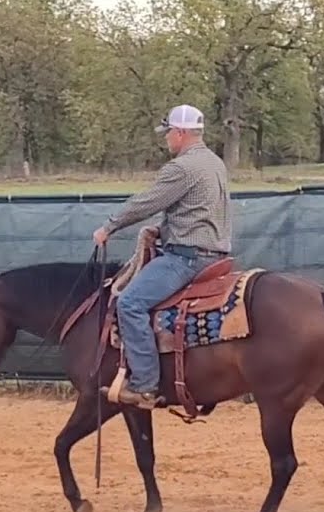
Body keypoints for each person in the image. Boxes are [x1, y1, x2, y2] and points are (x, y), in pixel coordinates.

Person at [92, 104, 232, 409]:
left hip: (187, 258)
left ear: (180, 133)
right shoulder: (214, 163)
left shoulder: (181, 168)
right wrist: (162, 228)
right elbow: (197, 210)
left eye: (168, 132)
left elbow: (147, 202)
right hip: (216, 255)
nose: (166, 138)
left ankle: (144, 384)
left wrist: (110, 226)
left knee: (129, 303)